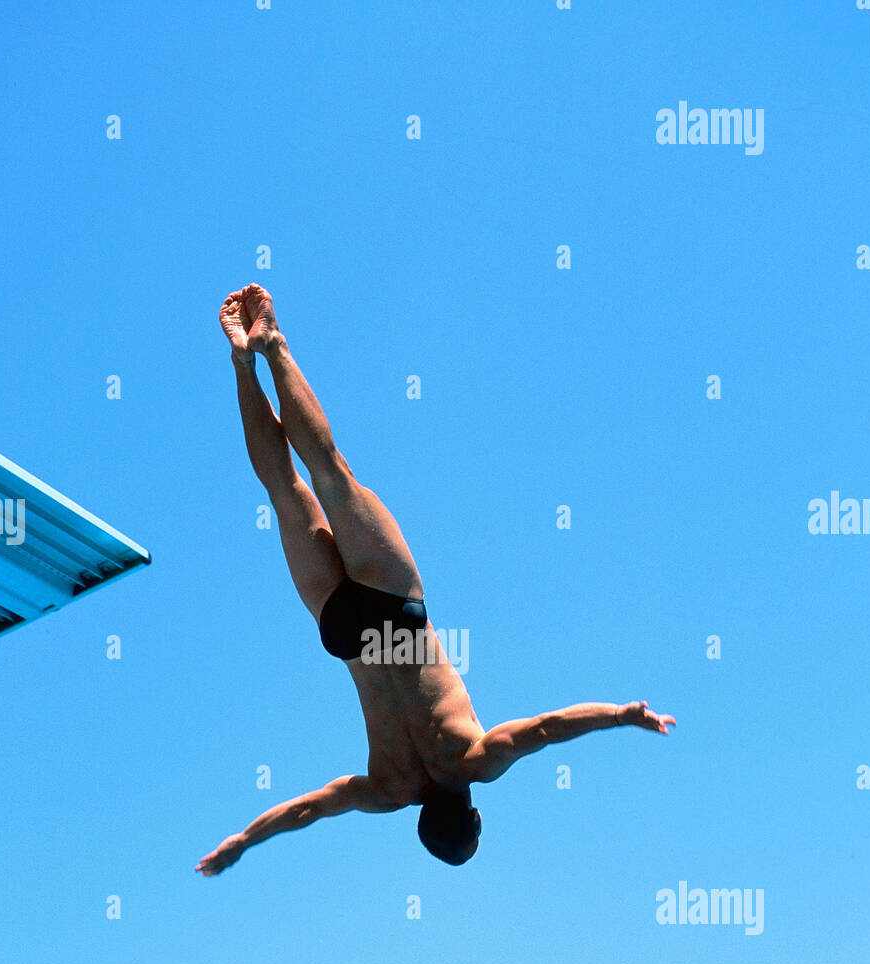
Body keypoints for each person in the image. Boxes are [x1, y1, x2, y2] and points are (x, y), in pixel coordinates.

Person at [196, 286, 675, 875]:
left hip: (396, 609)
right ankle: (243, 361)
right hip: (342, 629)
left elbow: (549, 729)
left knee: (331, 474)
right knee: (285, 493)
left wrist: (625, 714)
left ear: (473, 816)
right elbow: (308, 810)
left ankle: (273, 346)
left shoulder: (477, 758)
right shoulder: (387, 790)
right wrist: (241, 842)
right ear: (421, 825)